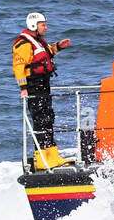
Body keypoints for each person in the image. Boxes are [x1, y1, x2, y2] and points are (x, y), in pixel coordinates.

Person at [12, 12, 71, 170]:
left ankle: (52, 155)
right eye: (43, 24)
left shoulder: (38, 41)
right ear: (34, 25)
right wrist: (23, 88)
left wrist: (59, 47)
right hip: (34, 85)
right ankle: (40, 157)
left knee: (48, 118)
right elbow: (19, 67)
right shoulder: (23, 44)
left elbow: (46, 53)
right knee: (39, 120)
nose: (46, 27)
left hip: (44, 84)